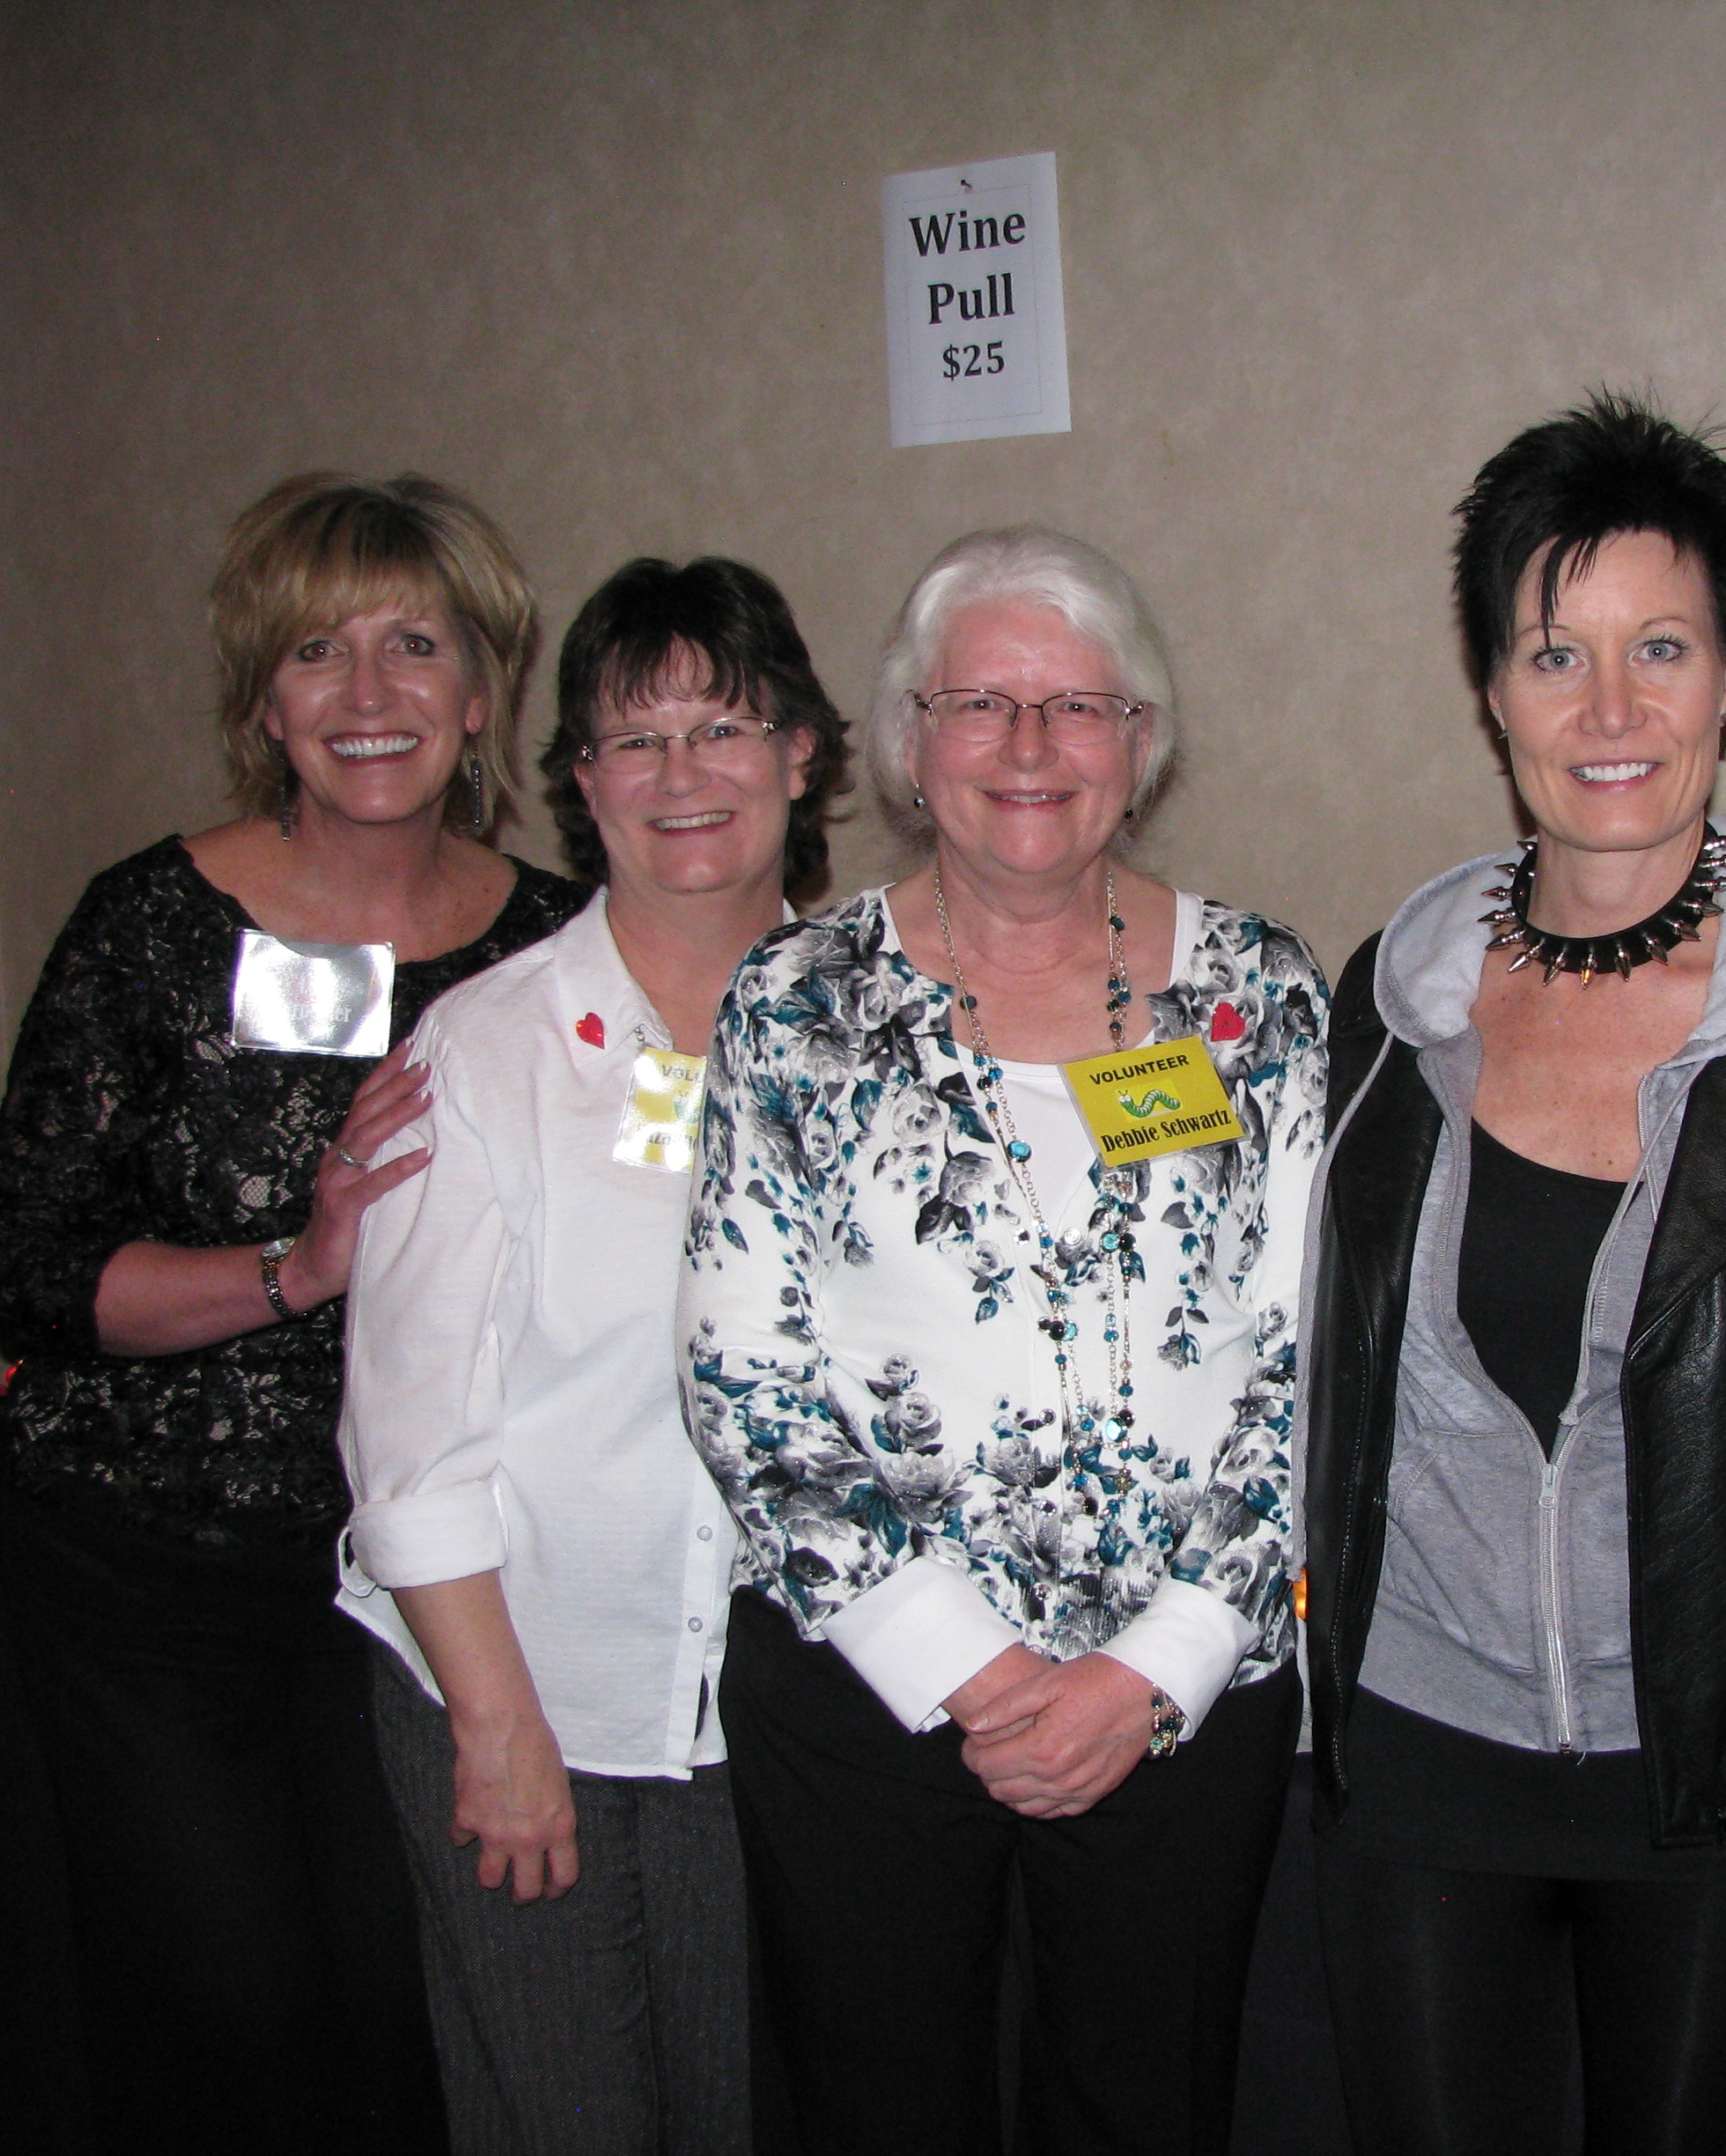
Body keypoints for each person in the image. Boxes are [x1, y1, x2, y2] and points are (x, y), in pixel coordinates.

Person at [680, 527, 1330, 2156]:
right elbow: (744, 1370)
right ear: (910, 742)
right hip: (871, 1689)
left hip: (1177, 1693)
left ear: (1141, 742)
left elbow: (1306, 1362)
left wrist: (1159, 1662)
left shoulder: (1258, 993)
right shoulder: (796, 998)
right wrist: (962, 1667)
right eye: (979, 701)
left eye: (1078, 705)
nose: (1030, 746)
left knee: (1145, 2112)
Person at [1295, 393, 1726, 2156]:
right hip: (1419, 1750)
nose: (1611, 712)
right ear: (1493, 689)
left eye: (1663, 650)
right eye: (1557, 655)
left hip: (1712, 1772)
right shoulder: (1384, 1010)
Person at [0, 472, 583, 2151]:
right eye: (318, 652)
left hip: (428, 1589)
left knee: (412, 1997)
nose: (368, 693)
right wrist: (295, 1270)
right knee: (235, 2012)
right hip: (155, 1564)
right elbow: (32, 1272)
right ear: (264, 701)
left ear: (483, 695)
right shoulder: (153, 926)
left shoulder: (553, 948)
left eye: (416, 646)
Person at [335, 557, 848, 2155]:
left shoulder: (884, 1031)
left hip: (775, 1715)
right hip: (521, 1683)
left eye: (725, 728)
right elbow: (408, 1438)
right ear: (581, 780)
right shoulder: (484, 1050)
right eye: (636, 739)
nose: (684, 776)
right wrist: (496, 1730)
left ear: (802, 754)